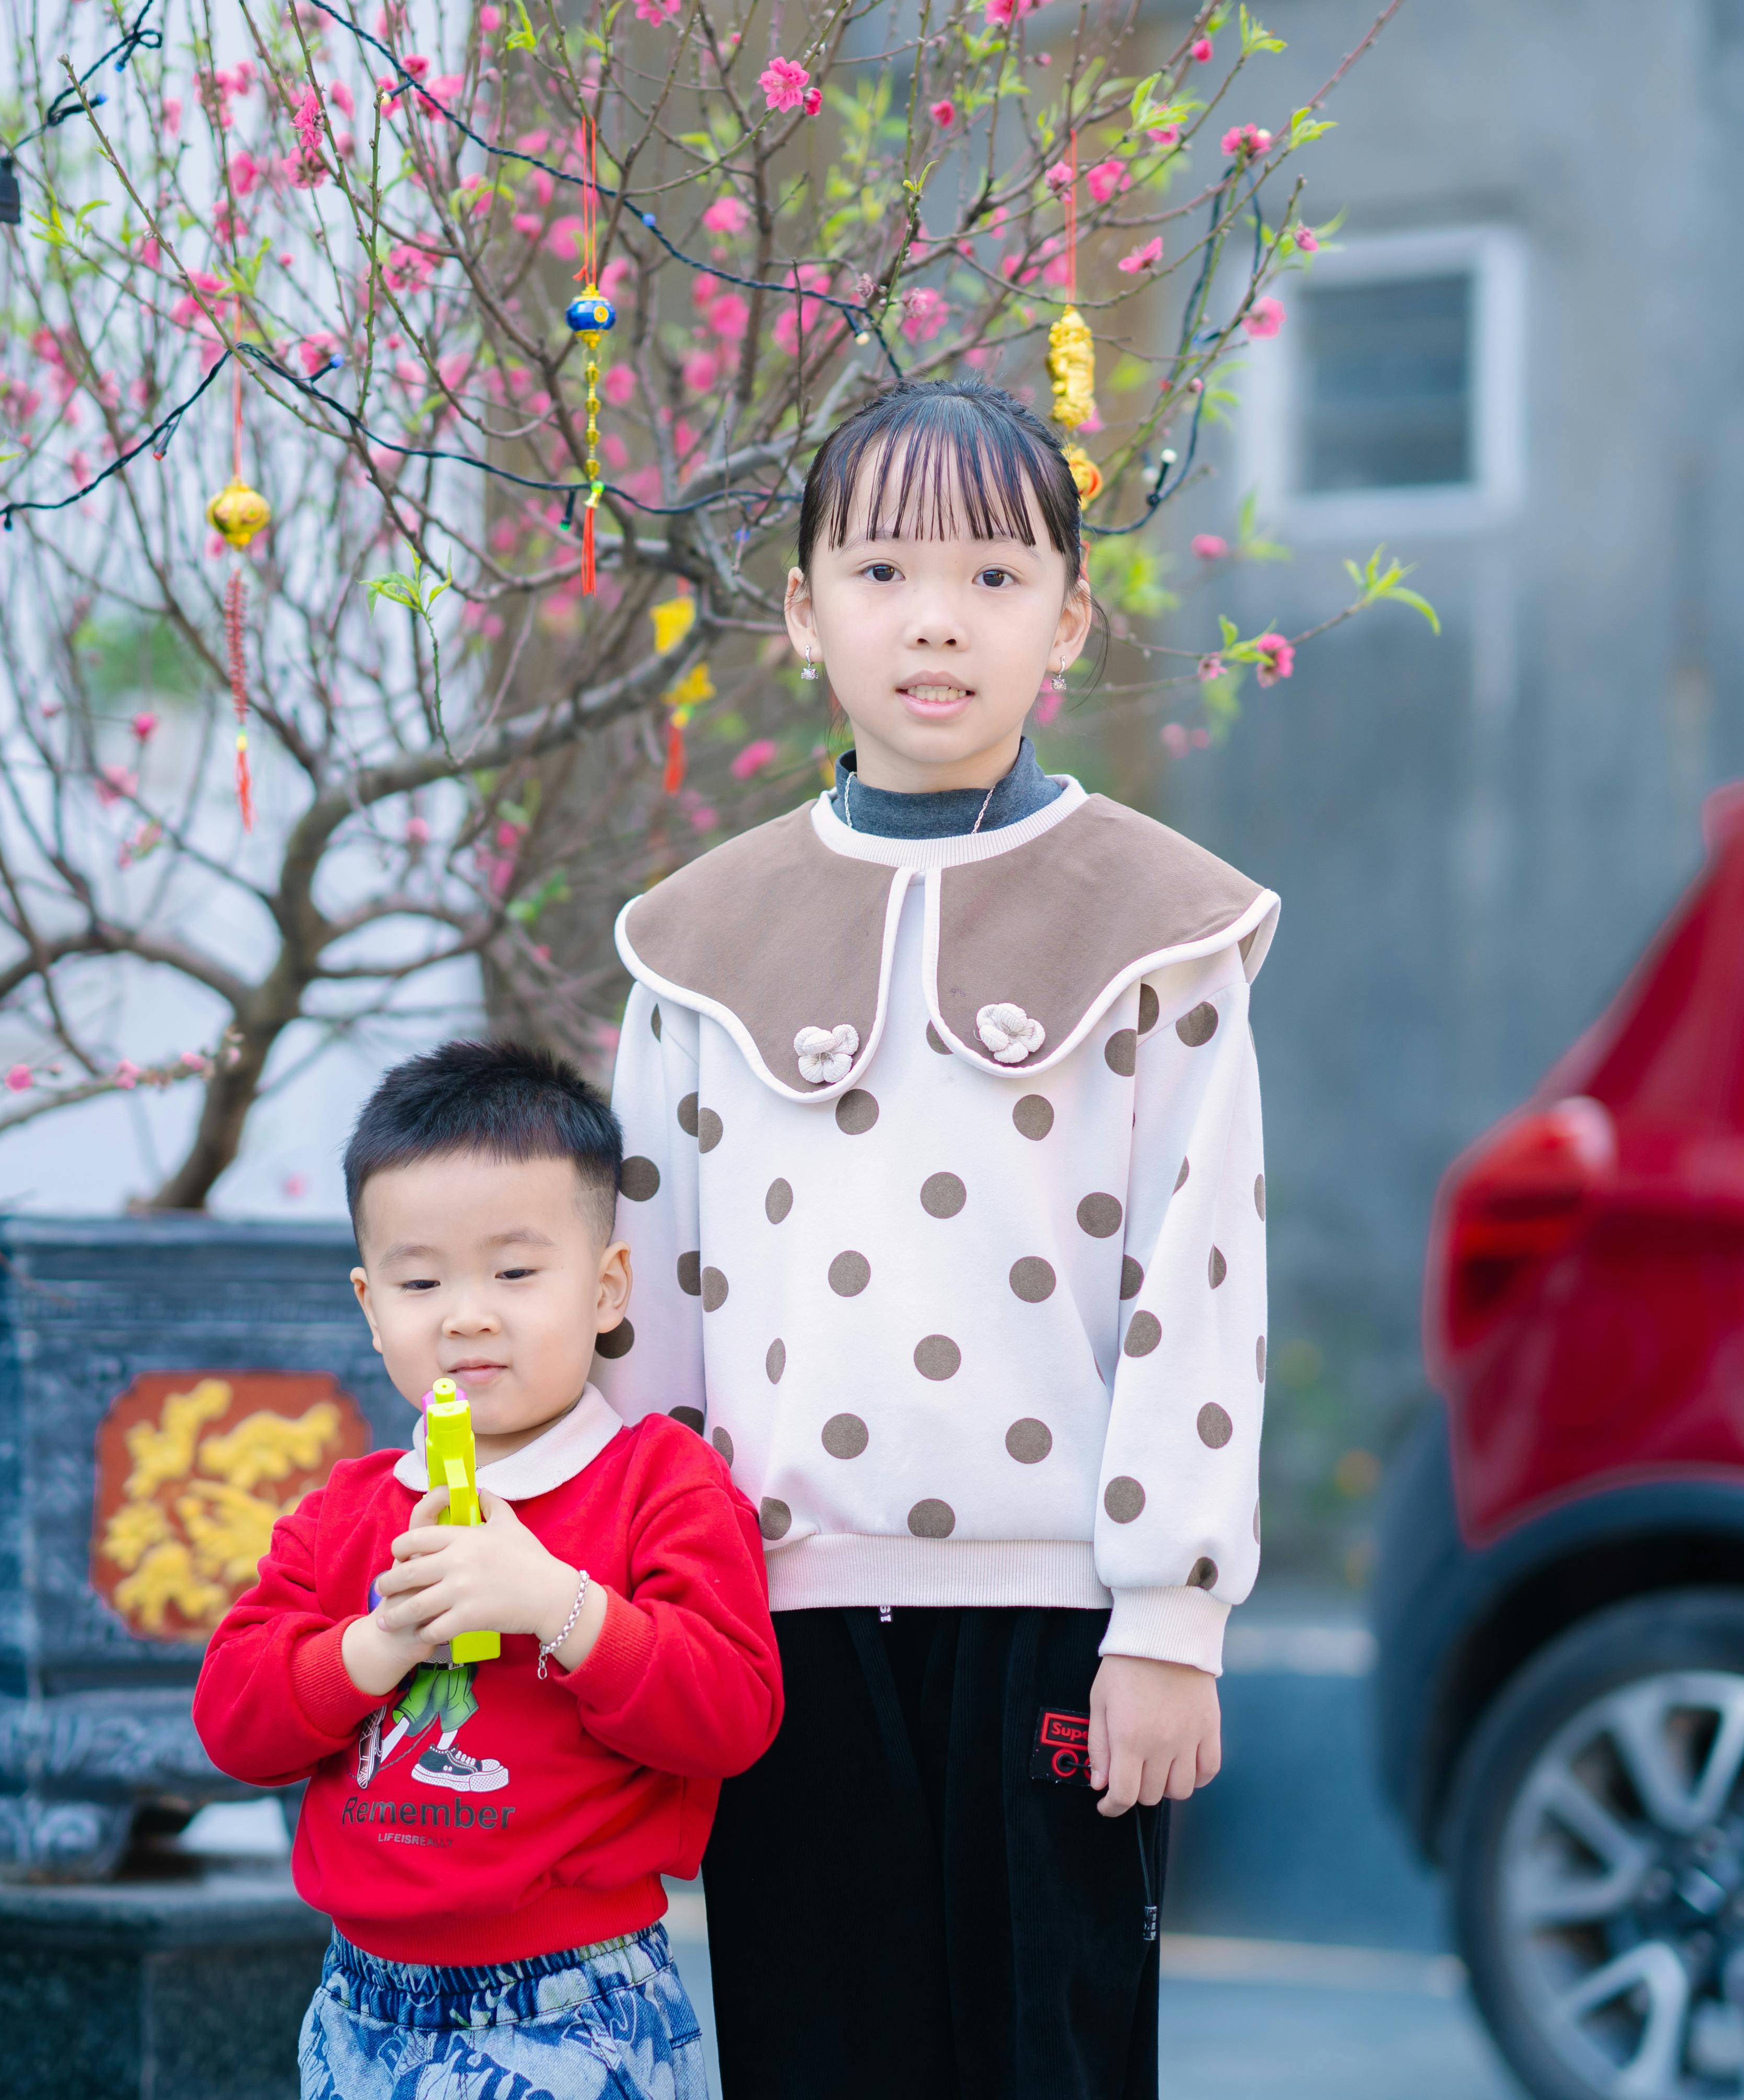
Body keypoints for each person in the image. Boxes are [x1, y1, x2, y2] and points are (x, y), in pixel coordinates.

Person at [595, 377, 1278, 2099]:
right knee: (817, 2062)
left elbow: (1199, 1287)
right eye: (884, 569)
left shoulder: (1161, 926)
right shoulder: (697, 941)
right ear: (805, 610)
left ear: (1070, 613)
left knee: (1050, 2063)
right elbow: (650, 1304)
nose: (937, 622)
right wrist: (635, 1618)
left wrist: (1171, 1622)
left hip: (1059, 1625)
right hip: (779, 1632)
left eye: (995, 575)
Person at [196, 1040, 783, 2100]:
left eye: (515, 1271)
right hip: (358, 1996)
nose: (467, 1311)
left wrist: (558, 1605)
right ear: (373, 1306)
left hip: (573, 1997)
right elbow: (236, 1722)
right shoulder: (347, 1507)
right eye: (423, 1279)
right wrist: (375, 1643)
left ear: (607, 1286)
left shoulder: (661, 1480)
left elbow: (733, 1711)